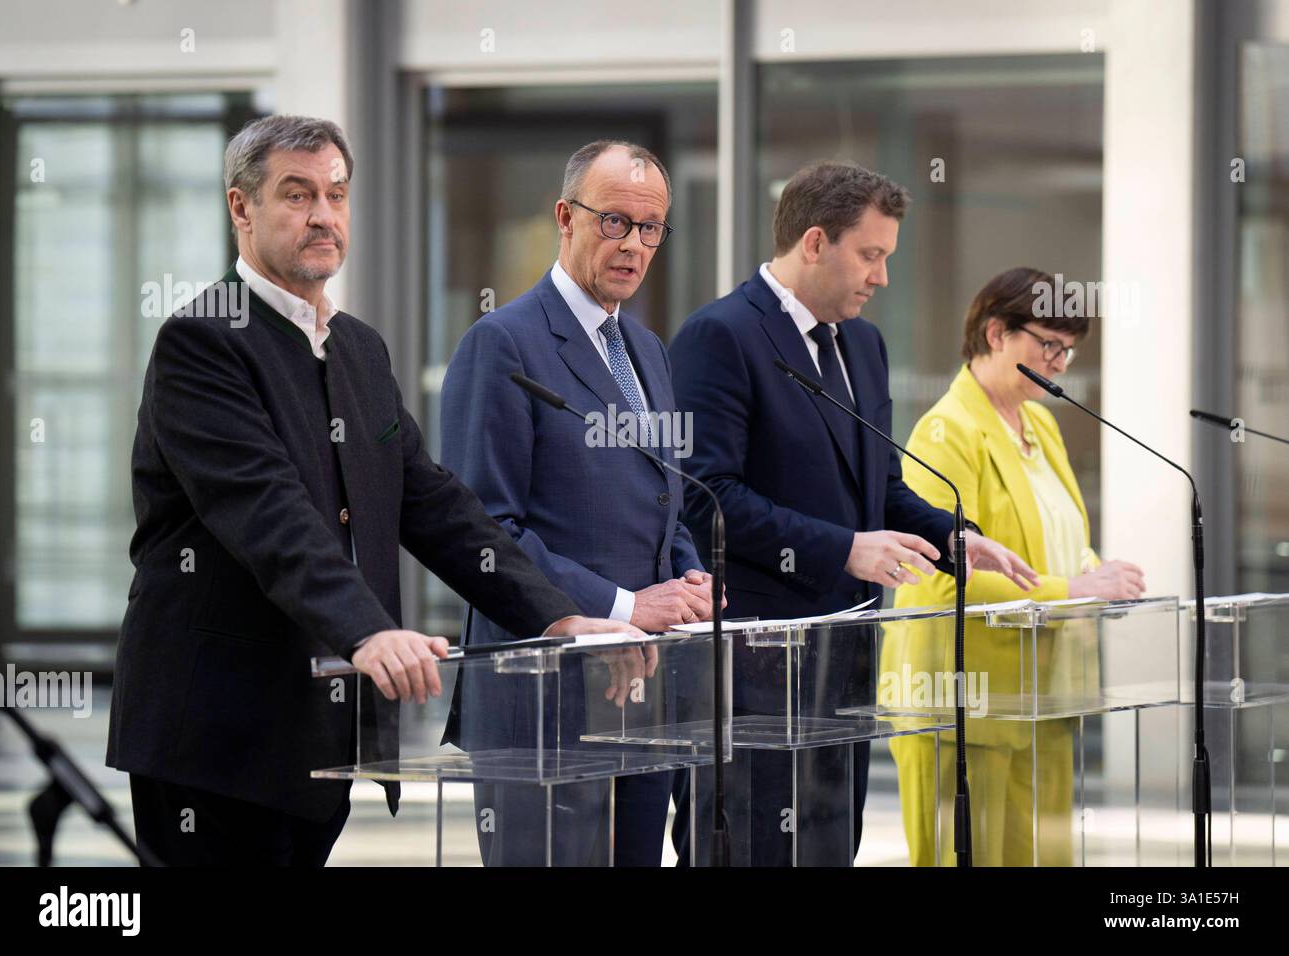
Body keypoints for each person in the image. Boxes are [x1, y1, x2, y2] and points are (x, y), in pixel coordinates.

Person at [106, 115, 633, 867]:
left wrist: (556, 617)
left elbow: (434, 504)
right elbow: (269, 514)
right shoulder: (204, 342)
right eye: (296, 195)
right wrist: (369, 629)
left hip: (318, 737)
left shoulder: (357, 346)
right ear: (240, 208)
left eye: (336, 193)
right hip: (213, 739)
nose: (323, 214)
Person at [668, 161, 1038, 865]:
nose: (882, 277)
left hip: (845, 656)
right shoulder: (720, 336)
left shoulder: (862, 344)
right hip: (755, 661)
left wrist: (951, 537)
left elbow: (879, 483)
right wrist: (843, 548)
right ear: (814, 242)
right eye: (870, 256)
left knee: (831, 844)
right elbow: (705, 495)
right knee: (747, 845)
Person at [440, 140, 717, 866]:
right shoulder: (502, 344)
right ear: (566, 217)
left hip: (644, 696)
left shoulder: (647, 353)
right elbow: (484, 532)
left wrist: (686, 580)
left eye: (651, 228)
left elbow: (665, 494)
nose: (634, 244)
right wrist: (624, 607)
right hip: (542, 699)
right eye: (615, 222)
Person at [884, 266, 1146, 865]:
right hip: (967, 701)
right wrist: (1074, 587)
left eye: (1069, 350)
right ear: (997, 332)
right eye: (1048, 344)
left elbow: (1060, 538)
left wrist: (1102, 574)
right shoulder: (947, 432)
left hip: (1046, 696)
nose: (1059, 362)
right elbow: (944, 569)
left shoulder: (1041, 426)